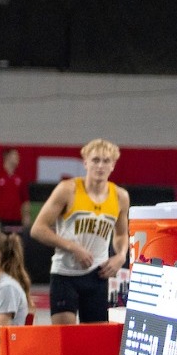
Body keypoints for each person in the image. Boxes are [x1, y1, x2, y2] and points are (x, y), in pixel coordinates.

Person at [31, 139, 128, 326]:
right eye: (95, 160)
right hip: (65, 274)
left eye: (106, 161)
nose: (100, 166)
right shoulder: (68, 190)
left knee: (94, 338)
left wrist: (121, 255)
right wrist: (73, 247)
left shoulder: (120, 196)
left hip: (98, 274)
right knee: (65, 337)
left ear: (113, 165)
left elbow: (121, 234)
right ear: (85, 163)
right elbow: (38, 229)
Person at [0, 148, 27, 229]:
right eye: (15, 156)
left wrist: (26, 217)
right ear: (7, 157)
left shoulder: (20, 178)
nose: (18, 158)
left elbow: (24, 201)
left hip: (16, 220)